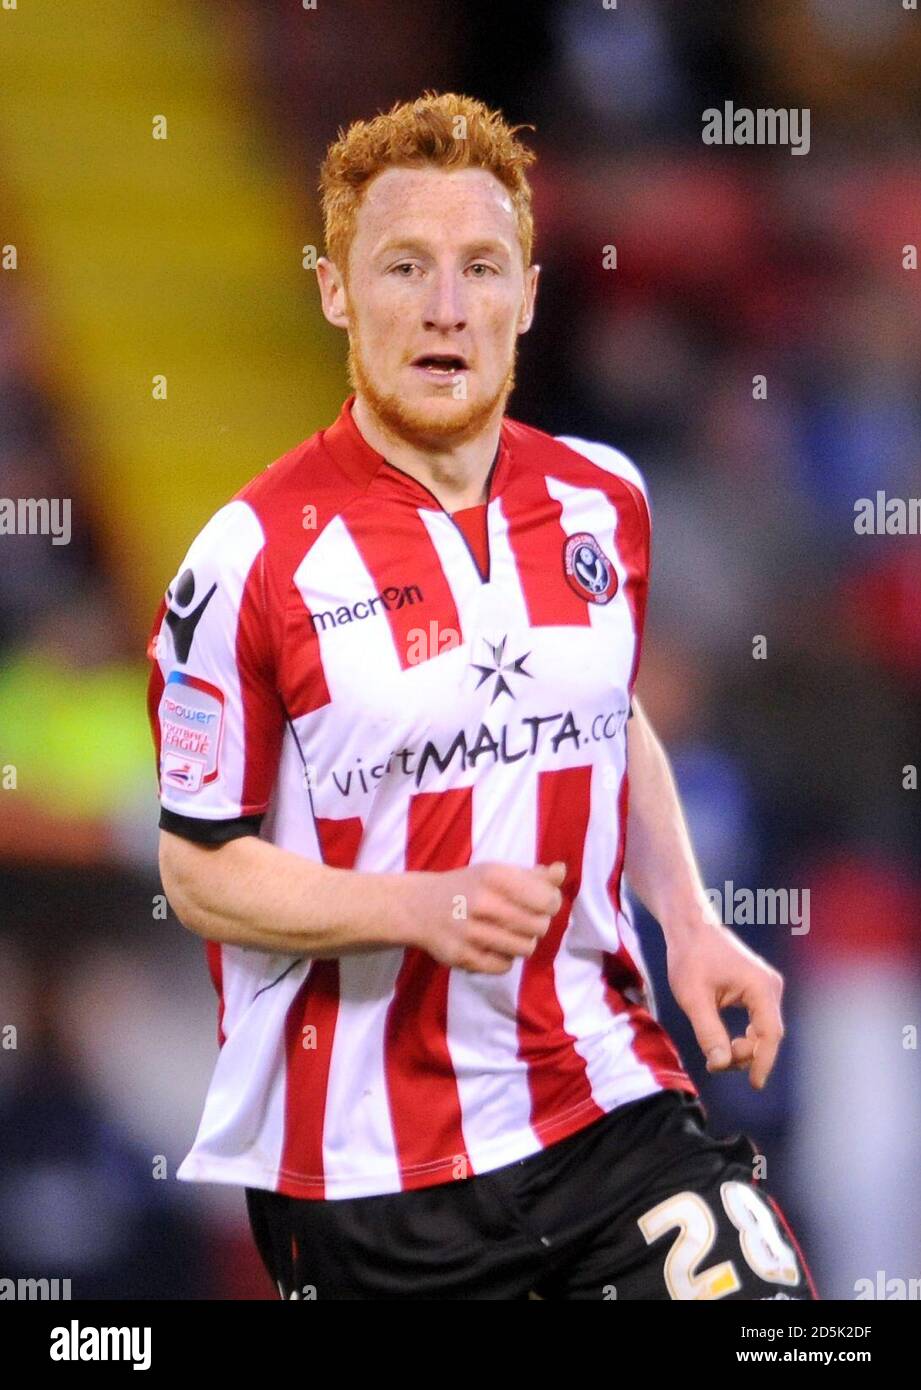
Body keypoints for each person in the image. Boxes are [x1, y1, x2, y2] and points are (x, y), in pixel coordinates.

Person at [148, 91, 817, 1300]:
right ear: (335, 291)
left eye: (481, 267)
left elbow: (604, 710)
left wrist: (688, 915)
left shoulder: (605, 498)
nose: (447, 309)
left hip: (604, 1095)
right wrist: (412, 904)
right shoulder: (246, 559)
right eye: (403, 266)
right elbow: (199, 868)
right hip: (368, 1177)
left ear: (529, 293)